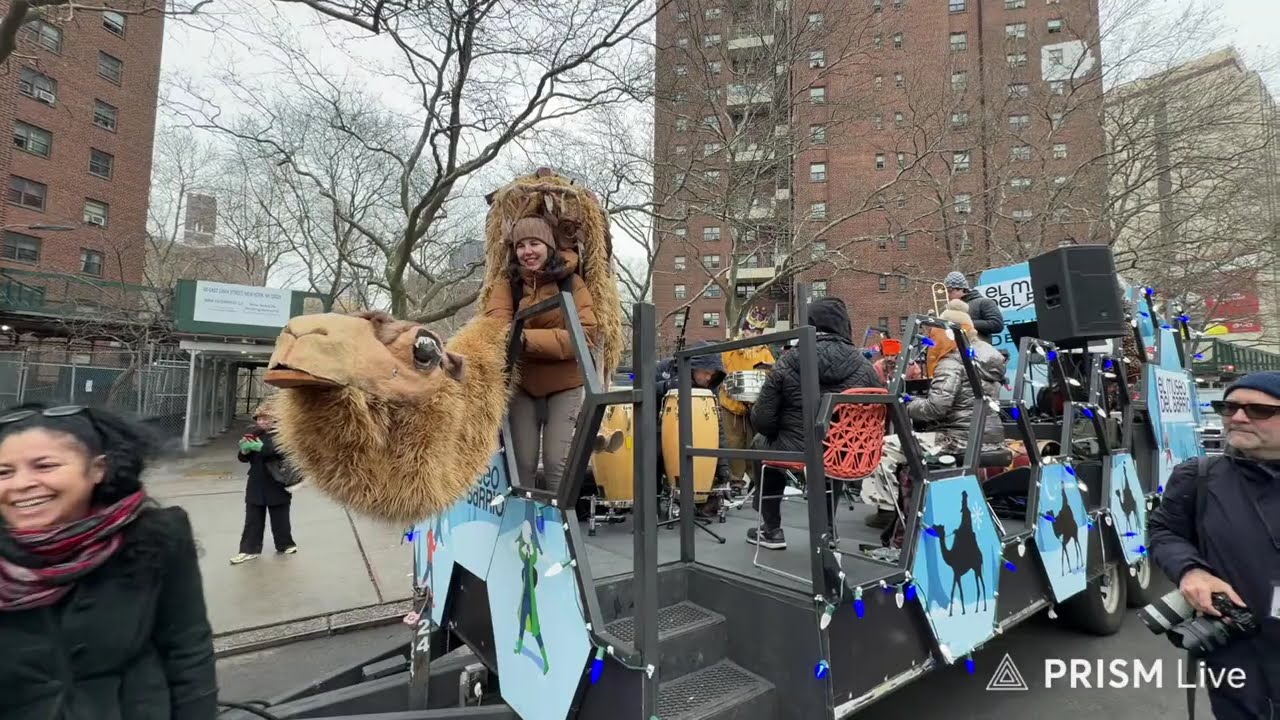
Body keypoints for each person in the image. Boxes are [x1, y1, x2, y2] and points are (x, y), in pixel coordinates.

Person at [0, 403, 218, 718]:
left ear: (97, 469)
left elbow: (188, 651)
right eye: (4, 472)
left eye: (45, 466)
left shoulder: (157, 536)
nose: (22, 484)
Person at [1148, 371, 1279, 720]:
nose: (1237, 417)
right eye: (1229, 407)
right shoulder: (1199, 477)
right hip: (1240, 656)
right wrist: (1191, 571)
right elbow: (1163, 531)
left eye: (1258, 410)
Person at [868, 301, 1007, 556]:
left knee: (883, 449)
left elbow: (936, 408)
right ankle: (901, 532)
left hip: (954, 438)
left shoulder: (953, 361)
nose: (932, 340)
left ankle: (897, 530)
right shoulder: (989, 356)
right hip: (987, 438)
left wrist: (905, 404)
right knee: (908, 457)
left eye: (934, 334)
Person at [747, 297, 884, 549]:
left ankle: (771, 528)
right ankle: (827, 530)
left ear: (808, 323)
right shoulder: (865, 366)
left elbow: (763, 420)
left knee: (760, 443)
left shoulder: (789, 359)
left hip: (798, 449)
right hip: (847, 454)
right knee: (837, 448)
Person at [484, 216, 599, 495]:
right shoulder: (507, 285)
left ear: (548, 246)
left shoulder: (571, 283)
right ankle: (521, 528)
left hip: (565, 383)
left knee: (556, 463)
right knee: (520, 463)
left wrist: (526, 338)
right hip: (523, 383)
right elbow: (497, 330)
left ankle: (559, 527)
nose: (528, 251)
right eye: (521, 245)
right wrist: (514, 338)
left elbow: (585, 335)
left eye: (534, 243)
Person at [654, 341, 733, 515]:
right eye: (705, 372)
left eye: (712, 374)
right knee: (655, 450)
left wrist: (723, 469)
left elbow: (716, 427)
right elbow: (639, 386)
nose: (708, 378)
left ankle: (696, 498)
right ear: (693, 367)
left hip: (698, 435)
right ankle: (653, 503)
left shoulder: (710, 389)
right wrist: (667, 386)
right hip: (658, 431)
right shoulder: (663, 369)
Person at [231, 401, 300, 565]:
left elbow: (274, 451)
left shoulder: (283, 435)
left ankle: (285, 544)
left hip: (277, 480)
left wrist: (259, 447)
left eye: (266, 418)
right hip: (256, 481)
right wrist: (244, 450)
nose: (262, 422)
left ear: (276, 419)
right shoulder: (254, 433)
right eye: (259, 419)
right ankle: (249, 550)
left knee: (280, 517)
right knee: (252, 518)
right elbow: (243, 458)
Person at [718, 305, 775, 491]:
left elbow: (771, 372)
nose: (753, 333)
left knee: (754, 442)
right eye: (751, 329)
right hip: (731, 403)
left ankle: (755, 479)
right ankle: (735, 479)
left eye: (758, 330)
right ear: (745, 327)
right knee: (733, 442)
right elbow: (722, 369)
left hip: (754, 404)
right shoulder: (732, 347)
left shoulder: (765, 351)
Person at [942, 271, 1004, 343]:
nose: (948, 294)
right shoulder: (949, 308)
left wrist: (965, 323)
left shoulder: (984, 302)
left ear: (961, 288)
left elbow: (997, 325)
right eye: (946, 291)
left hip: (979, 349)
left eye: (950, 290)